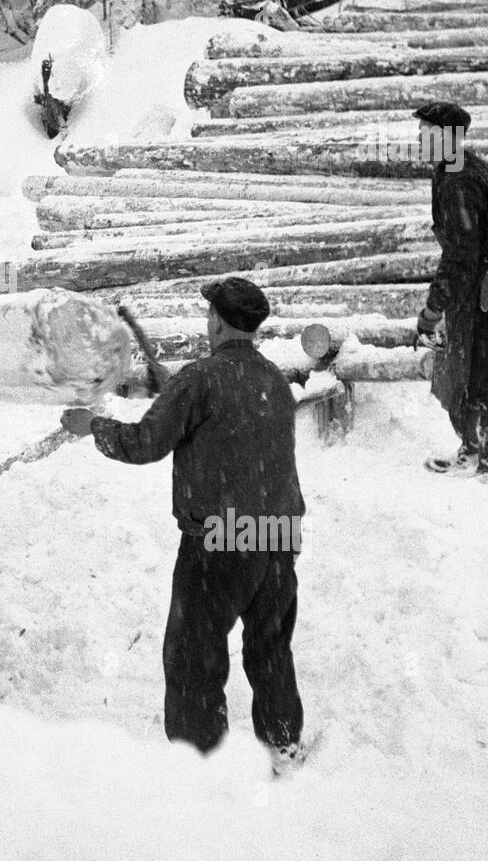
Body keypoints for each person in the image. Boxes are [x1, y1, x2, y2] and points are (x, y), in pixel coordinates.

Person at [61, 277, 306, 764]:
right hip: (278, 536)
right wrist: (174, 387)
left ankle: (201, 764)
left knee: (194, 656)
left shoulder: (201, 380)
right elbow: (226, 412)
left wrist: (94, 426)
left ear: (215, 319)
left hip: (221, 538)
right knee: (271, 650)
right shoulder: (273, 380)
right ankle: (284, 745)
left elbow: (146, 443)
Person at [413, 101, 488, 480]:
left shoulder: (459, 180)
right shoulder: (467, 168)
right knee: (469, 373)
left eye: (427, 133)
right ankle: (475, 452)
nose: (419, 139)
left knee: (487, 376)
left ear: (448, 138)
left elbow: (462, 254)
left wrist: (433, 308)